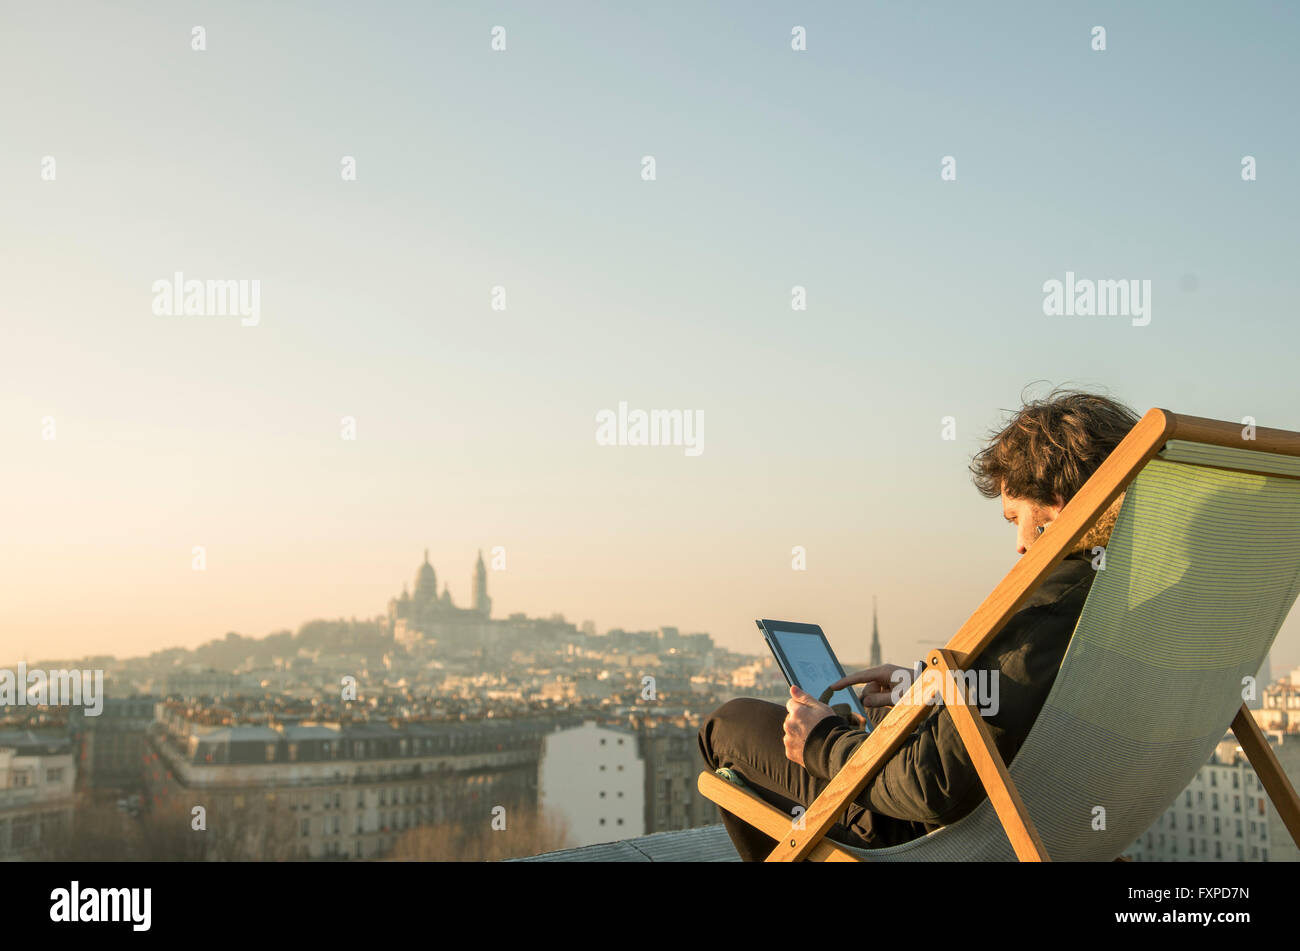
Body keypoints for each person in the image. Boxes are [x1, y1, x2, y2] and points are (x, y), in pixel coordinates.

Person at [698, 389, 1140, 860]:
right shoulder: (1133, 605)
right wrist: (929, 691)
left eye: (1016, 518)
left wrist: (821, 743)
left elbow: (930, 786)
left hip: (927, 834)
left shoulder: (1045, 613)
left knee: (728, 725)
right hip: (1057, 829)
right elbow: (1021, 710)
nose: (1018, 546)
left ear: (1054, 505)